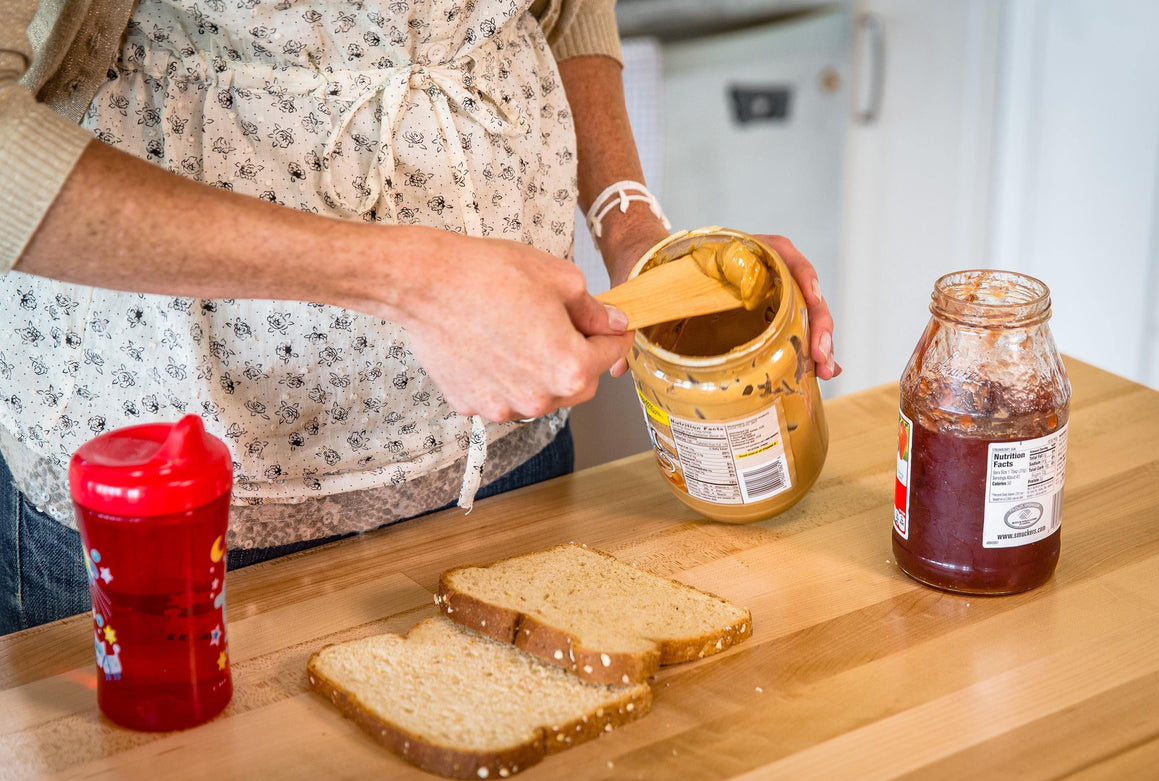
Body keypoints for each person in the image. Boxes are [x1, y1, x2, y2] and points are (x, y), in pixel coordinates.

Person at [0, 0, 840, 635]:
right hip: (180, 497)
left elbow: (563, 10)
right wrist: (411, 283)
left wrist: (630, 225)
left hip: (506, 450)